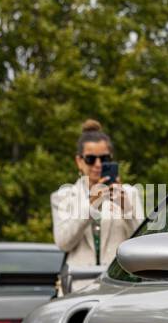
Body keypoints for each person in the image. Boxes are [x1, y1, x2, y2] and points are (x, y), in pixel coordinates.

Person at [50, 119, 143, 279]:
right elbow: (64, 243)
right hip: (79, 286)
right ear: (79, 161)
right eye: (91, 159)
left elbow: (141, 243)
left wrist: (126, 208)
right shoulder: (62, 196)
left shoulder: (130, 193)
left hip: (119, 285)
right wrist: (91, 205)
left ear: (111, 158)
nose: (98, 164)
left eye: (104, 158)